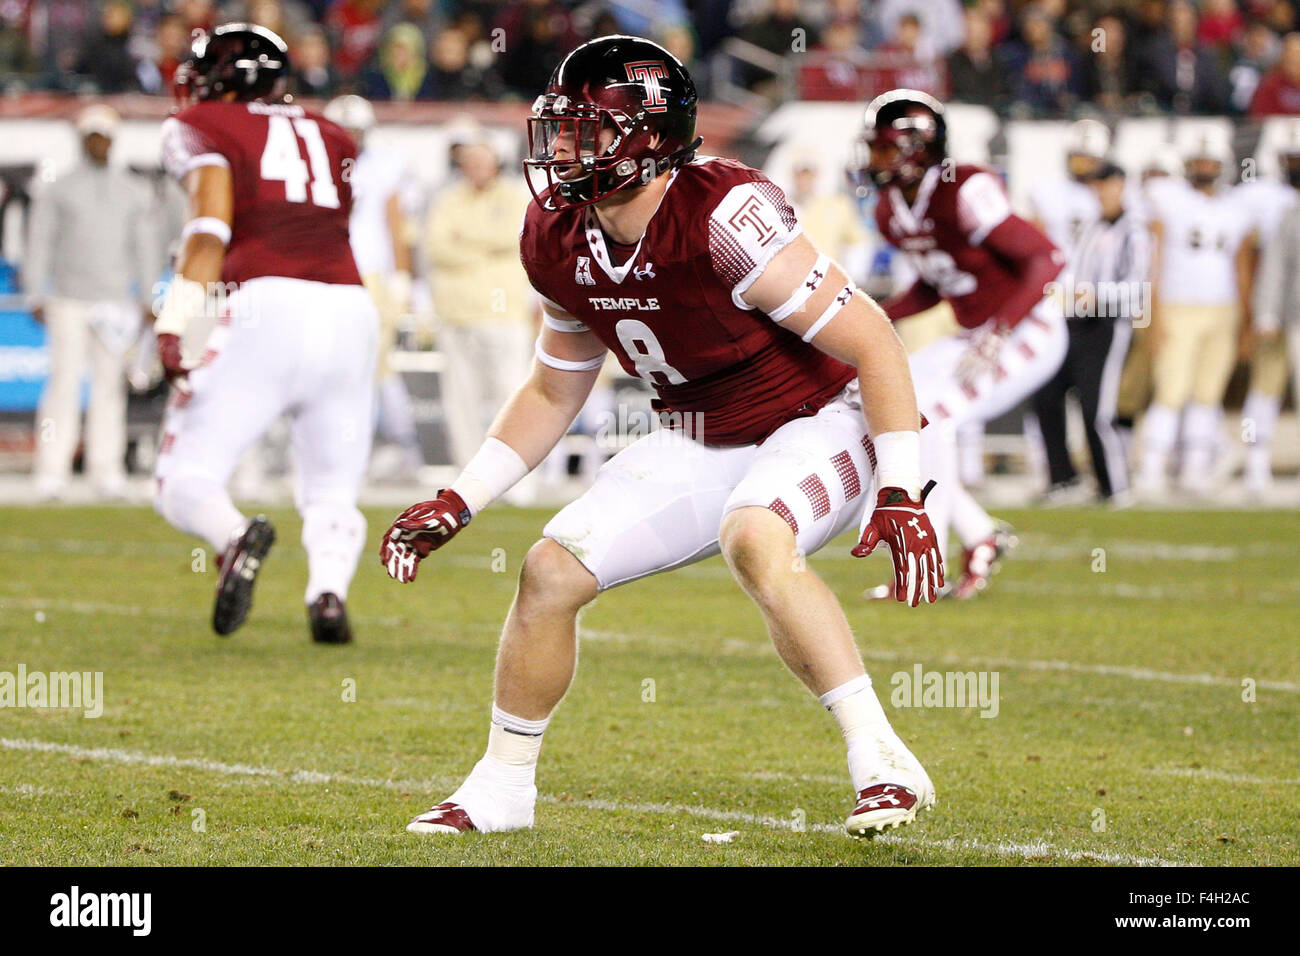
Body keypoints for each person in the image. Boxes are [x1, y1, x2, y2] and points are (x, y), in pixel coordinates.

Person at [382, 36, 943, 839]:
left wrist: (900, 486)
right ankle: (502, 787)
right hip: (699, 430)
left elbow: (874, 340)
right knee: (548, 572)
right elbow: (552, 386)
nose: (564, 148)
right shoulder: (555, 231)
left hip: (819, 417)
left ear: (647, 139)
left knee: (755, 536)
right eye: (561, 127)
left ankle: (882, 762)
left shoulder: (722, 215)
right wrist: (459, 496)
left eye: (586, 130)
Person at [153, 24, 379, 643]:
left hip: (267, 305)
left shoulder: (201, 123)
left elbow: (209, 230)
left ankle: (233, 538)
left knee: (182, 475)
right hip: (350, 307)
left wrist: (175, 322)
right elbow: (329, 223)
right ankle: (327, 593)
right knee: (333, 484)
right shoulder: (334, 134)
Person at [856, 89, 1067, 598]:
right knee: (899, 412)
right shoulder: (891, 209)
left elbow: (1047, 259)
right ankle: (979, 535)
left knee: (937, 420)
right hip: (973, 331)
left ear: (919, 150)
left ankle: (924, 567)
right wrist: (870, 318)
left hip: (1026, 325)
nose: (875, 161)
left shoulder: (965, 188)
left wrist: (1000, 330)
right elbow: (937, 282)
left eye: (886, 149)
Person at [23, 105, 159, 501]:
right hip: (68, 298)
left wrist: (148, 295)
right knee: (62, 385)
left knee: (109, 389)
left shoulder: (133, 190)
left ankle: (107, 469)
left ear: (113, 141)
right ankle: (52, 470)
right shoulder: (59, 188)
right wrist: (35, 291)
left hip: (115, 303)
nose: (99, 143)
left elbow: (145, 248)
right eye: (92, 136)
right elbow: (40, 241)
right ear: (82, 140)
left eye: (105, 136)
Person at [1138, 131, 1255, 496]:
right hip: (1178, 305)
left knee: (1207, 393)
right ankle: (1151, 470)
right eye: (1199, 162)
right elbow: (1151, 258)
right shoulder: (1167, 198)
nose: (1205, 169)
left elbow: (1243, 266)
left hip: (1223, 308)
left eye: (1211, 163)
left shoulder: (1236, 208)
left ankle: (1195, 469)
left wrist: (1247, 319)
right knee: (1171, 391)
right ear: (1187, 165)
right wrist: (1152, 310)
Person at [1030, 163, 1147, 505]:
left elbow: (1138, 285)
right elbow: (1074, 270)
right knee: (1046, 395)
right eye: (1097, 186)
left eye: (1108, 184)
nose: (1102, 192)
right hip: (1074, 321)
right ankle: (1064, 478)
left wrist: (1099, 294)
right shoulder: (1093, 226)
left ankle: (1115, 486)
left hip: (1107, 324)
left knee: (1097, 408)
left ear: (1121, 185)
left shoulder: (1134, 230)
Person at [323, 94, 423, 481]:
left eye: (355, 131)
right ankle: (341, 452)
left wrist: (403, 277)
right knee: (334, 369)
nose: (349, 137)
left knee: (373, 367)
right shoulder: (316, 163)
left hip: (372, 278)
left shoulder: (385, 165)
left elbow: (395, 224)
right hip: (328, 276)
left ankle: (399, 447)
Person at [423, 135, 533, 470]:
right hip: (457, 314)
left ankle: (517, 474)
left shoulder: (515, 197)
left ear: (496, 164)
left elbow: (514, 238)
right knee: (461, 401)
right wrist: (486, 245)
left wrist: (465, 238)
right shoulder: (447, 200)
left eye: (482, 162)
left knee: (513, 397)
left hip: (504, 313)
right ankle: (468, 475)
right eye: (470, 163)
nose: (476, 169)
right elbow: (437, 247)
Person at [1233, 121, 1300, 491]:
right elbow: (1269, 263)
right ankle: (1256, 462)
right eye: (1290, 157)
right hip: (1283, 313)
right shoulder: (1264, 197)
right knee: (1265, 388)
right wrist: (1265, 312)